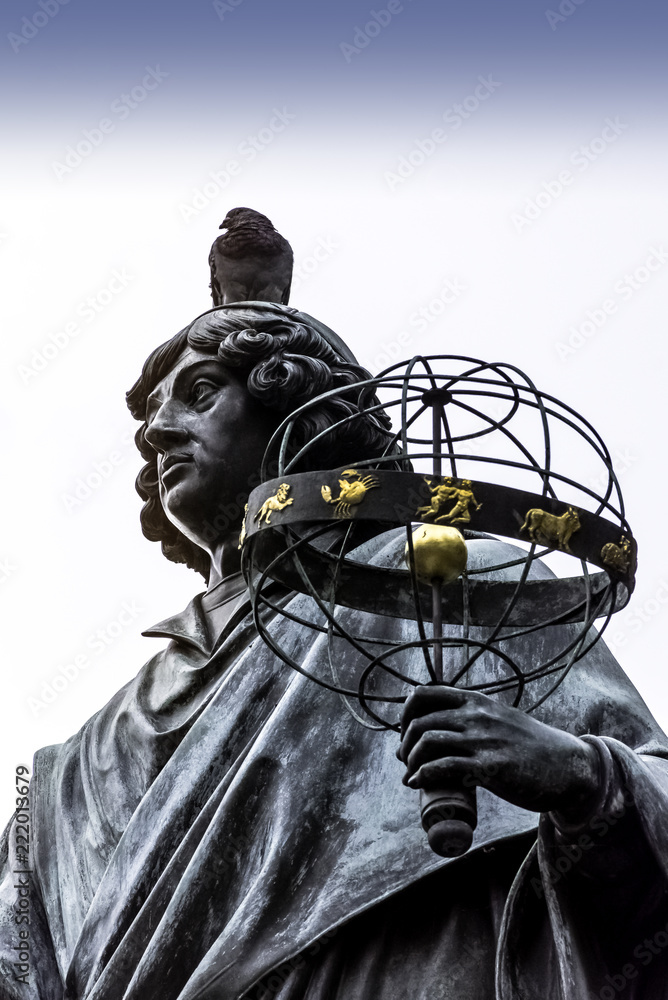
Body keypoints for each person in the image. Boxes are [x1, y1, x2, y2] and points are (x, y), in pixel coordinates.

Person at [2, 302, 668, 1000]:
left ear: (296, 412)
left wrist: (578, 775)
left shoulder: (449, 584)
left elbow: (651, 785)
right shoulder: (67, 777)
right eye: (151, 420)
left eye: (200, 393)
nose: (160, 430)